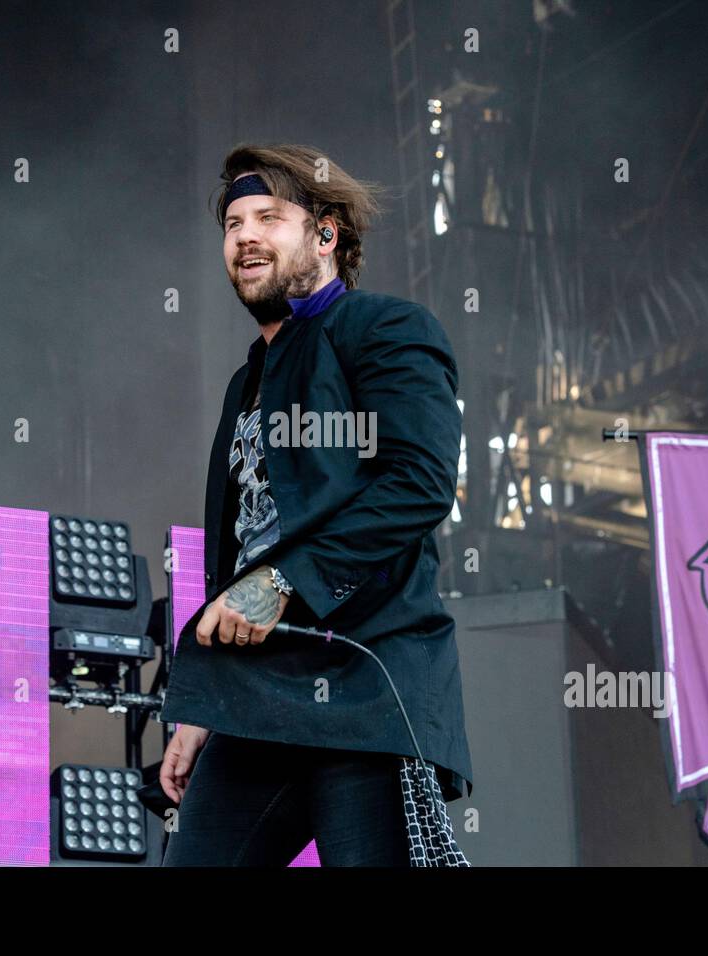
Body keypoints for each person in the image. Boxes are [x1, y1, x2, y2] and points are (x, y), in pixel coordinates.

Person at [158, 143, 471, 866]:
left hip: (364, 684)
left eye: (269, 216)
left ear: (325, 235)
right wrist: (206, 708)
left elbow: (420, 482)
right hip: (258, 701)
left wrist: (281, 585)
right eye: (233, 224)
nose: (244, 236)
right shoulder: (250, 380)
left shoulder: (386, 329)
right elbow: (246, 544)